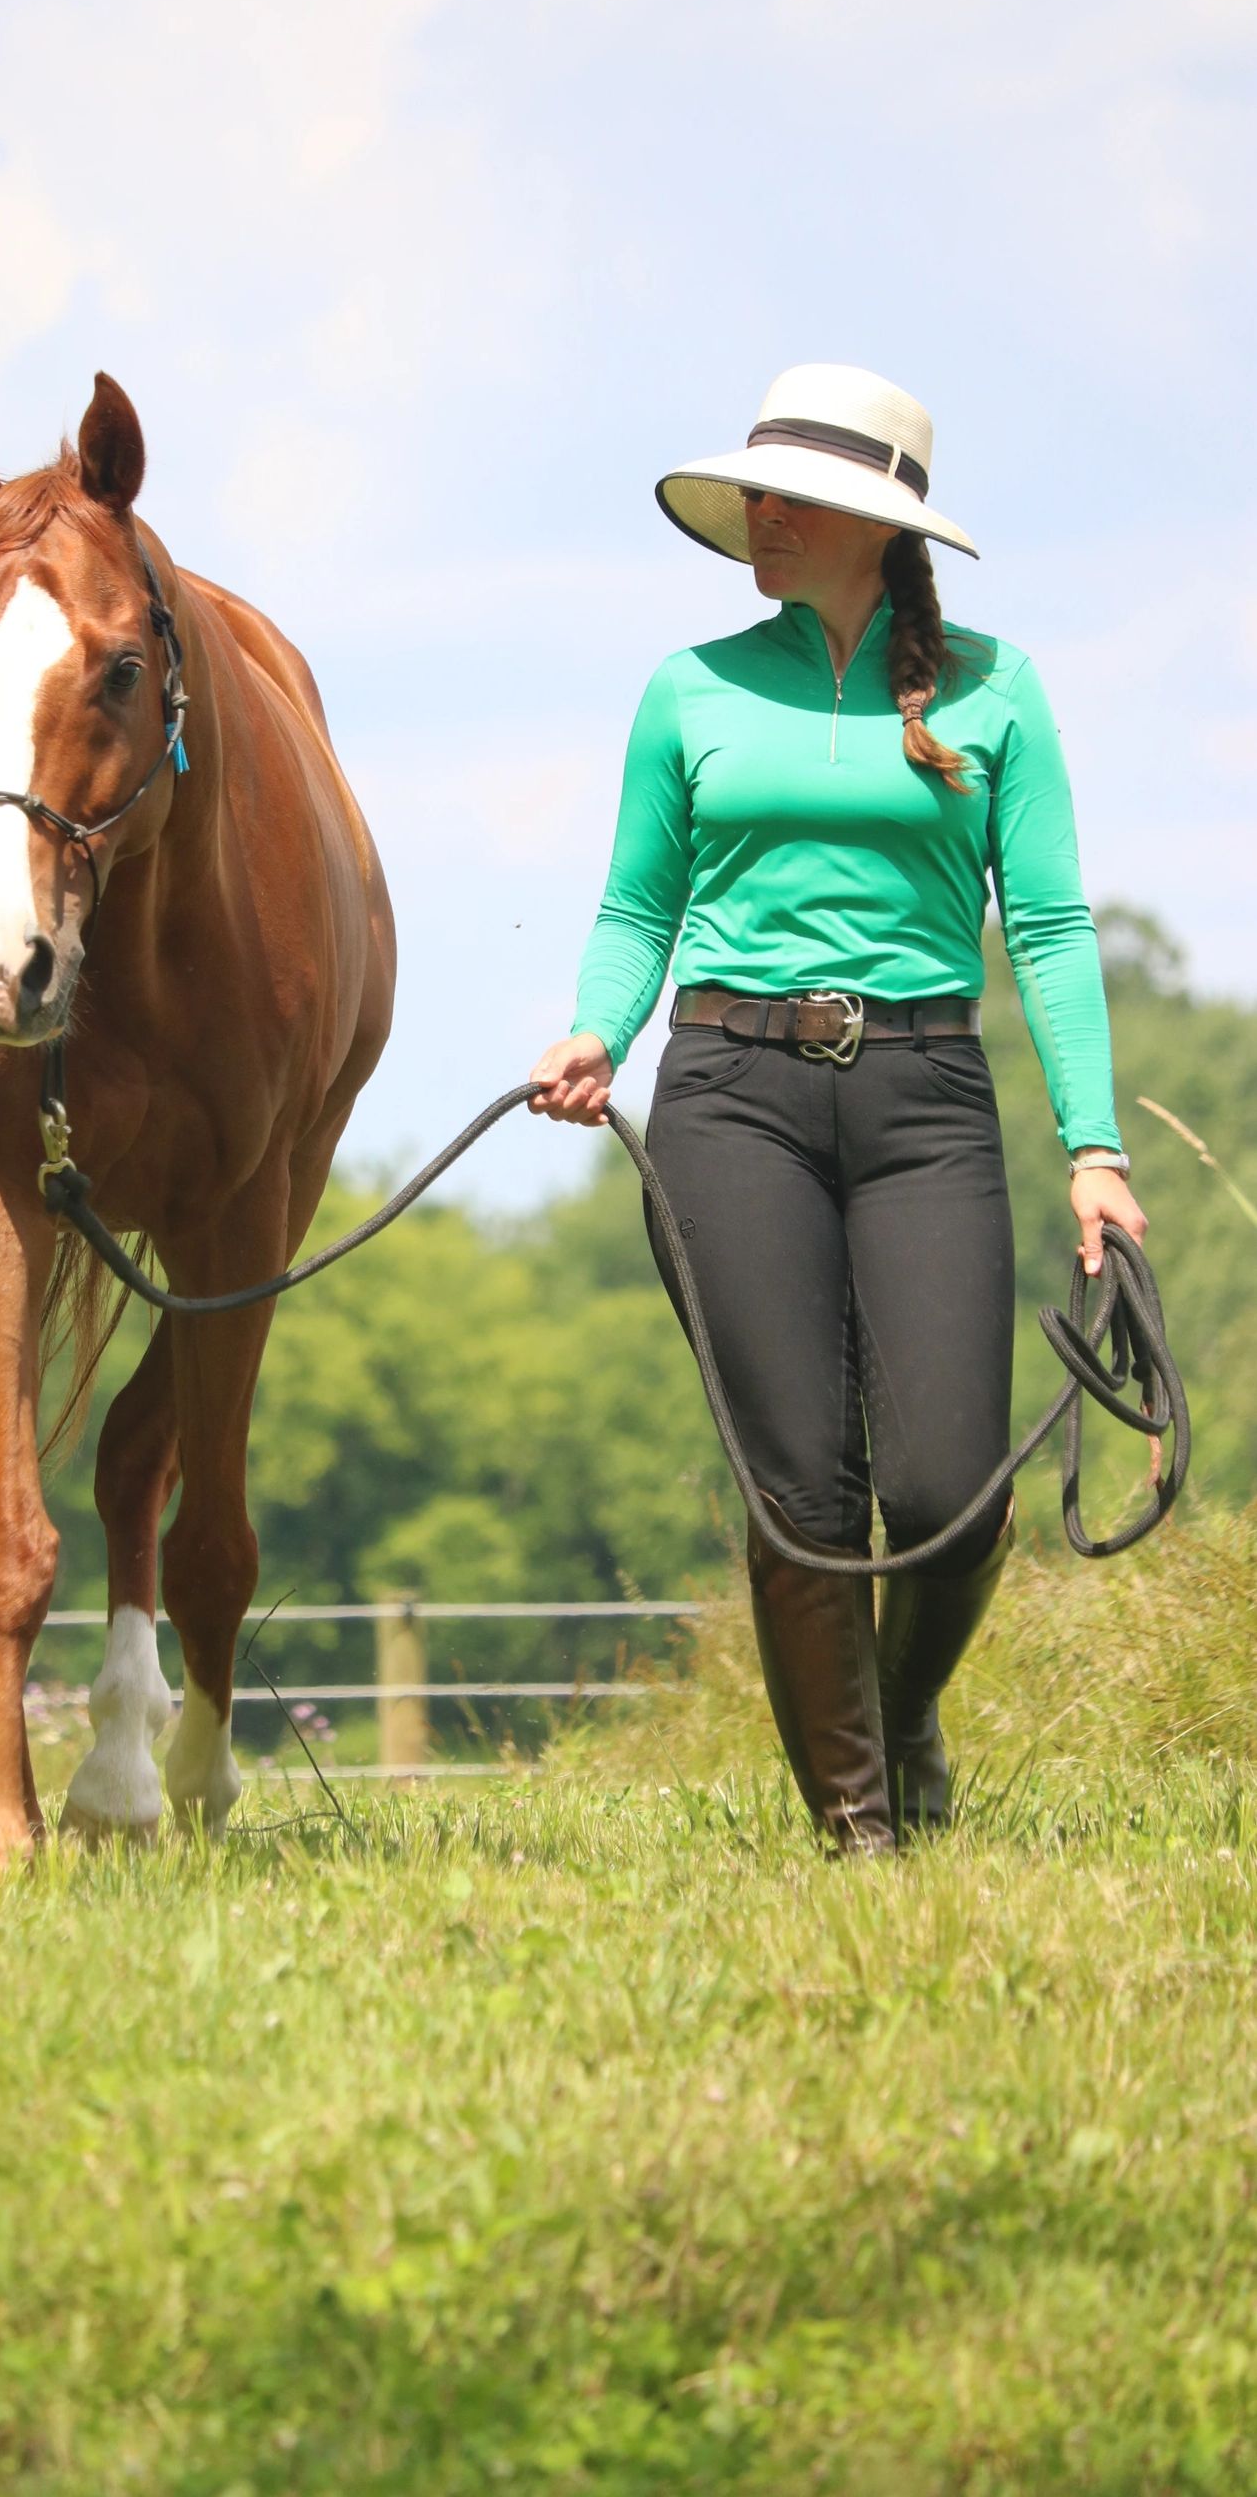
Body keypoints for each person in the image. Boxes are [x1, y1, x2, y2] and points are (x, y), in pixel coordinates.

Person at [530, 363, 1147, 1853]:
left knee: (951, 1489)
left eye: (790, 497)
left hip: (928, 1096)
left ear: (876, 523)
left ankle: (903, 1699)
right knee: (805, 1490)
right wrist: (596, 1033)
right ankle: (861, 1838)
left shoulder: (1000, 689)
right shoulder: (690, 689)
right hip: (729, 1099)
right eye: (754, 492)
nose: (761, 517)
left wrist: (1097, 1148)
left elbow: (1052, 932)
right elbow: (637, 902)